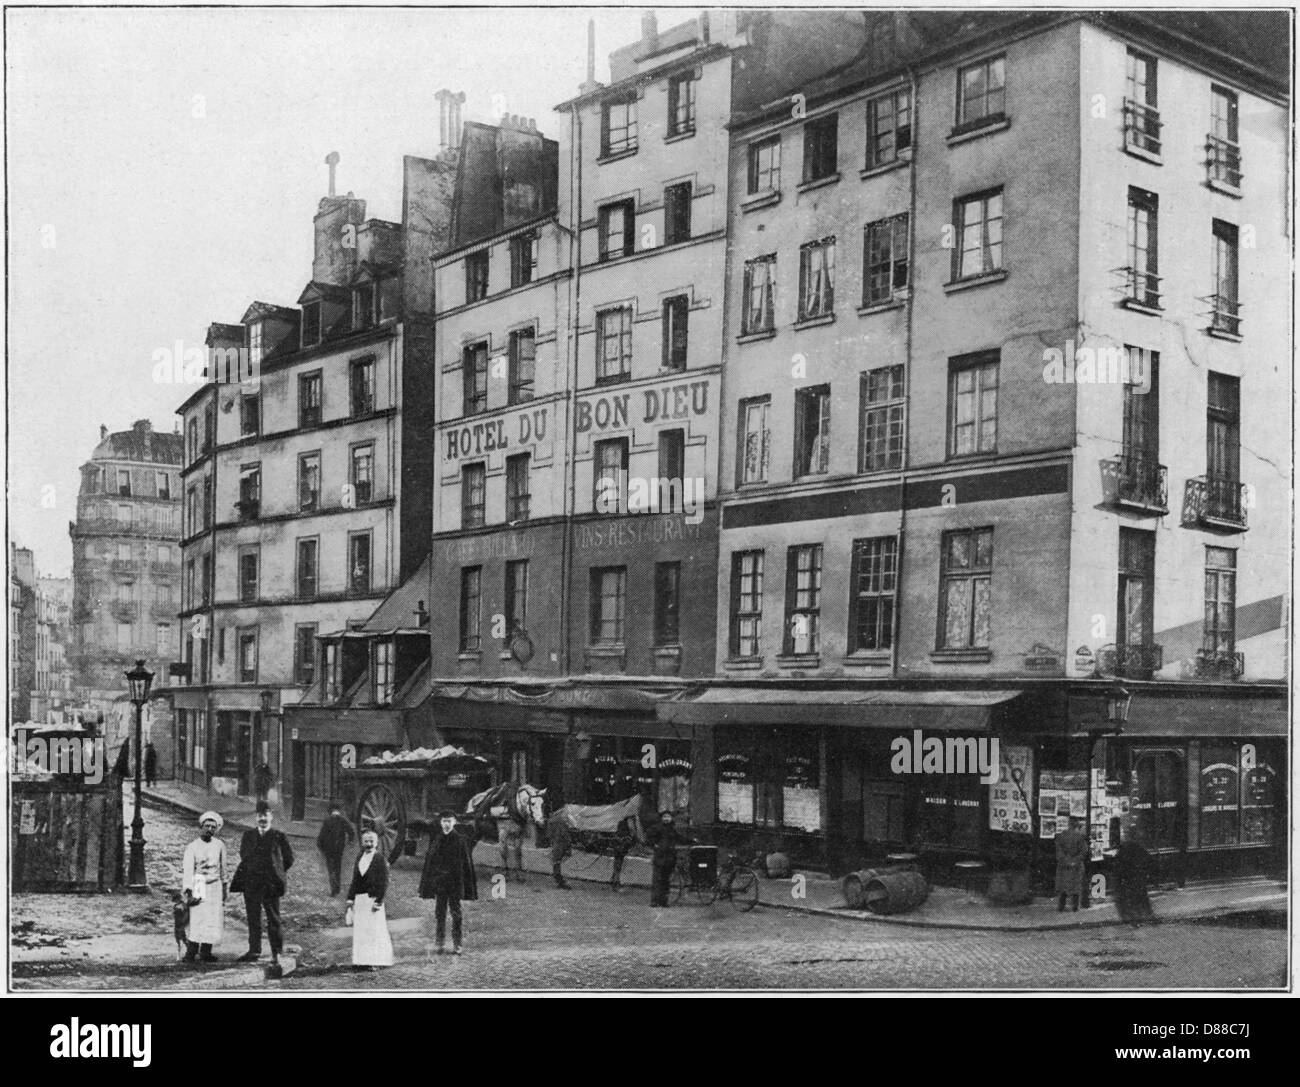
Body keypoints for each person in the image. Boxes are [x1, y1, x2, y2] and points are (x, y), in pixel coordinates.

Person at [236, 800, 294, 966]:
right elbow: (244, 856)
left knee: (273, 918)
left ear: (271, 817)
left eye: (266, 815)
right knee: (253, 917)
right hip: (252, 883)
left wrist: (277, 873)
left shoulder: (278, 836)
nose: (263, 818)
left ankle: (276, 953)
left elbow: (289, 859)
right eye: (260, 815)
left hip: (271, 884)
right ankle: (254, 950)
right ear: (256, 817)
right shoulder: (248, 836)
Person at [418, 811, 478, 955]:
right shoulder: (437, 839)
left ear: (454, 822)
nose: (446, 824)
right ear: (440, 823)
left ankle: (457, 944)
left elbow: (465, 865)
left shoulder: (460, 840)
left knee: (456, 913)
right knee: (440, 913)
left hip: (454, 884)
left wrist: (461, 883)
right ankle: (440, 942)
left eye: (449, 821)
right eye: (444, 821)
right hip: (440, 883)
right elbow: (431, 862)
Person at [181, 811, 228, 963]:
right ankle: (191, 951)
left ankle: (206, 951)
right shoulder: (193, 846)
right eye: (207, 826)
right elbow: (188, 870)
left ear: (216, 829)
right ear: (201, 827)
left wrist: (224, 887)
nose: (209, 829)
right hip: (199, 882)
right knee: (198, 918)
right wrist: (189, 890)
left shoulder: (220, 845)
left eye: (213, 827)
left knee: (212, 918)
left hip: (215, 884)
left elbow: (223, 868)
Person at [346, 829, 393, 970]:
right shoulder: (360, 857)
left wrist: (379, 901)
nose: (369, 844)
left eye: (371, 841)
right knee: (362, 931)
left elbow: (384, 882)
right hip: (360, 899)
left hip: (373, 899)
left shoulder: (380, 859)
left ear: (376, 843)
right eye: (366, 841)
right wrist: (350, 898)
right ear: (362, 842)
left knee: (374, 931)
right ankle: (361, 961)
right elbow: (355, 880)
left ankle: (376, 961)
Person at [646, 810, 692, 908]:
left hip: (670, 858)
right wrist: (655, 845)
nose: (666, 818)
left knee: (666, 881)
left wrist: (691, 841)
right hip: (660, 857)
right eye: (664, 817)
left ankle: (663, 901)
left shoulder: (672, 829)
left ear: (671, 818)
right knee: (657, 880)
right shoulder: (656, 828)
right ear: (662, 818)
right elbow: (648, 838)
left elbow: (679, 838)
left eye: (668, 817)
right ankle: (654, 901)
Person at [1113, 826, 1156, 926]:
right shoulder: (1139, 848)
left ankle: (1133, 919)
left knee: (1130, 899)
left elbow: (1118, 866)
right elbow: (1149, 861)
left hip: (1128, 879)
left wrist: (1118, 878)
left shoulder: (1123, 849)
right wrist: (1146, 874)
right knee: (1141, 898)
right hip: (1138, 878)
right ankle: (1148, 916)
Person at [317, 801, 356, 897]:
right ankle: (337, 888)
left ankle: (333, 889)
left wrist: (320, 846)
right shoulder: (343, 820)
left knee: (331, 868)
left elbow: (322, 835)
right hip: (339, 848)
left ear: (330, 811)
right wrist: (350, 841)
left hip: (328, 848)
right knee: (337, 867)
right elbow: (351, 831)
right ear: (339, 810)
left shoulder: (327, 820)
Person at [1055, 815, 1088, 912]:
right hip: (1076, 866)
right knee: (1075, 887)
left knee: (1063, 886)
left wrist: (1065, 860)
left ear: (1068, 824)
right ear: (1077, 825)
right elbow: (1084, 851)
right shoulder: (1081, 837)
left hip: (1064, 866)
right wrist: (1075, 861)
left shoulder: (1061, 835)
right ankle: (1075, 907)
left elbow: (1059, 851)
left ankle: (1061, 906)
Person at [547, 803, 572, 890]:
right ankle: (559, 881)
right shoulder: (562, 821)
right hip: (561, 843)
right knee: (557, 861)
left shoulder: (551, 820)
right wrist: (569, 844)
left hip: (555, 842)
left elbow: (549, 834)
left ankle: (558, 879)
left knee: (556, 861)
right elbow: (565, 834)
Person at [609, 817, 635, 893]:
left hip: (617, 838)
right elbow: (631, 828)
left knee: (617, 860)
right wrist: (632, 837)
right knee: (619, 861)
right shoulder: (629, 815)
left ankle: (614, 879)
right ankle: (616, 882)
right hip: (622, 839)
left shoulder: (619, 813)